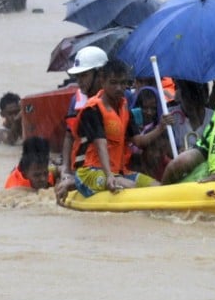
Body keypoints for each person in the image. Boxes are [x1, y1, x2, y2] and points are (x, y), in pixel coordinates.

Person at [73, 60, 173, 196]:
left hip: (121, 172)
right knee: (131, 187)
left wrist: (161, 127)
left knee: (157, 186)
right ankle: (74, 183)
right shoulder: (93, 109)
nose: (119, 88)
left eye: (122, 83)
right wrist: (109, 176)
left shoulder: (125, 107)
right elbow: (100, 144)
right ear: (103, 81)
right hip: (91, 171)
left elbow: (139, 141)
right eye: (113, 83)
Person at [55, 46, 109, 202]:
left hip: (107, 167)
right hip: (84, 170)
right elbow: (69, 136)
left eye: (84, 76)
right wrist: (65, 167)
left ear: (100, 75)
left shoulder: (116, 97)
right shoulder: (77, 101)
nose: (80, 82)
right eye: (77, 77)